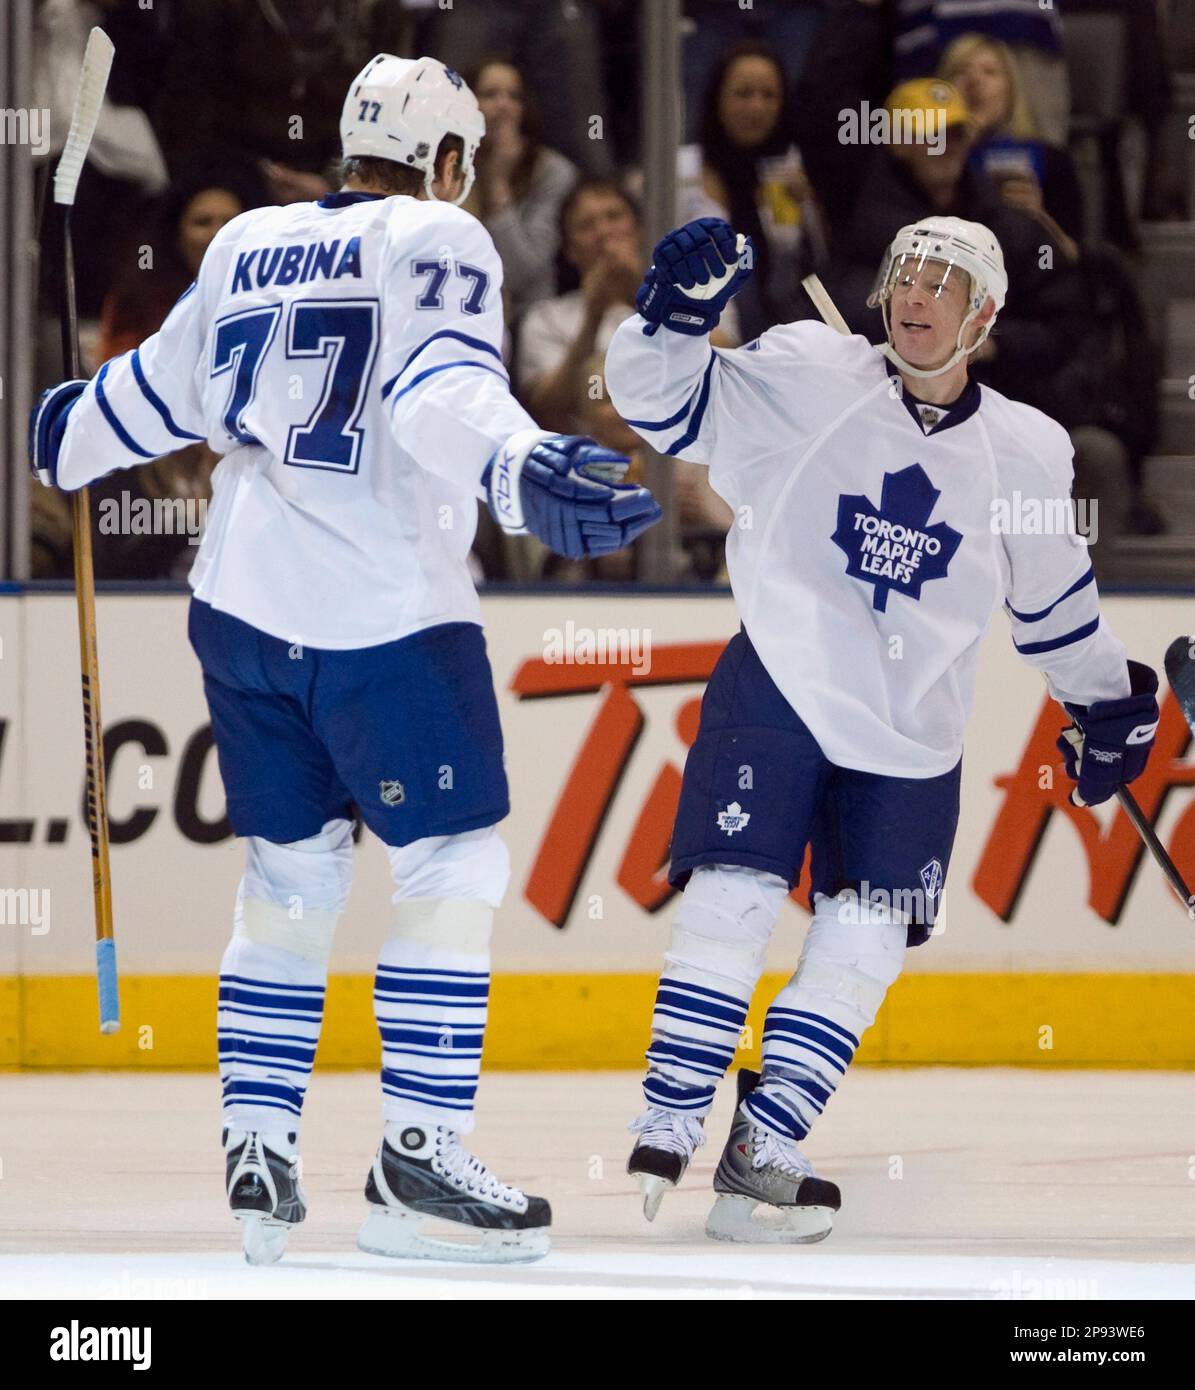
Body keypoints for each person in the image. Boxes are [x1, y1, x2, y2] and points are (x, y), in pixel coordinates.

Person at [30, 56, 660, 1267]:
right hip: (382, 617)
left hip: (240, 611)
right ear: (452, 162)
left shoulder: (247, 242)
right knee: (453, 858)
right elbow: (437, 390)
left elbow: (161, 393)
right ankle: (416, 1158)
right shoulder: (439, 234)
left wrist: (69, 427)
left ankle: (258, 1142)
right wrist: (520, 469)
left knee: (288, 877)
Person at [604, 215, 1159, 1241]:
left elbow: (1054, 609)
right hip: (783, 673)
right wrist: (672, 319)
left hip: (914, 732)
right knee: (734, 888)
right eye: (906, 269)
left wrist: (1103, 699)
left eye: (944, 280)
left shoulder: (1027, 453)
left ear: (982, 315)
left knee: (866, 937)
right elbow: (664, 406)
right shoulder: (810, 369)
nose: (917, 290)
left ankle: (763, 1143)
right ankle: (671, 1106)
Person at [679, 40, 825, 341]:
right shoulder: (682, 170)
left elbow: (819, 264)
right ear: (716, 98)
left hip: (783, 321)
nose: (756, 106)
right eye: (743, 94)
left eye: (769, 95)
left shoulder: (792, 166)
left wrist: (810, 206)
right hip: (702, 316)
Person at [939, 34, 1084, 256]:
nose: (974, 81)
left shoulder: (1051, 160)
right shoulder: (929, 159)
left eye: (989, 72)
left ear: (1011, 91)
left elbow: (1074, 259)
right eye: (960, 71)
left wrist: (1037, 218)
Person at [461, 57, 578, 323]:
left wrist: (498, 183)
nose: (503, 105)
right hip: (460, 307)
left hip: (529, 319)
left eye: (514, 96)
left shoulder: (553, 171)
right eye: (490, 94)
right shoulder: (447, 167)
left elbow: (518, 271)